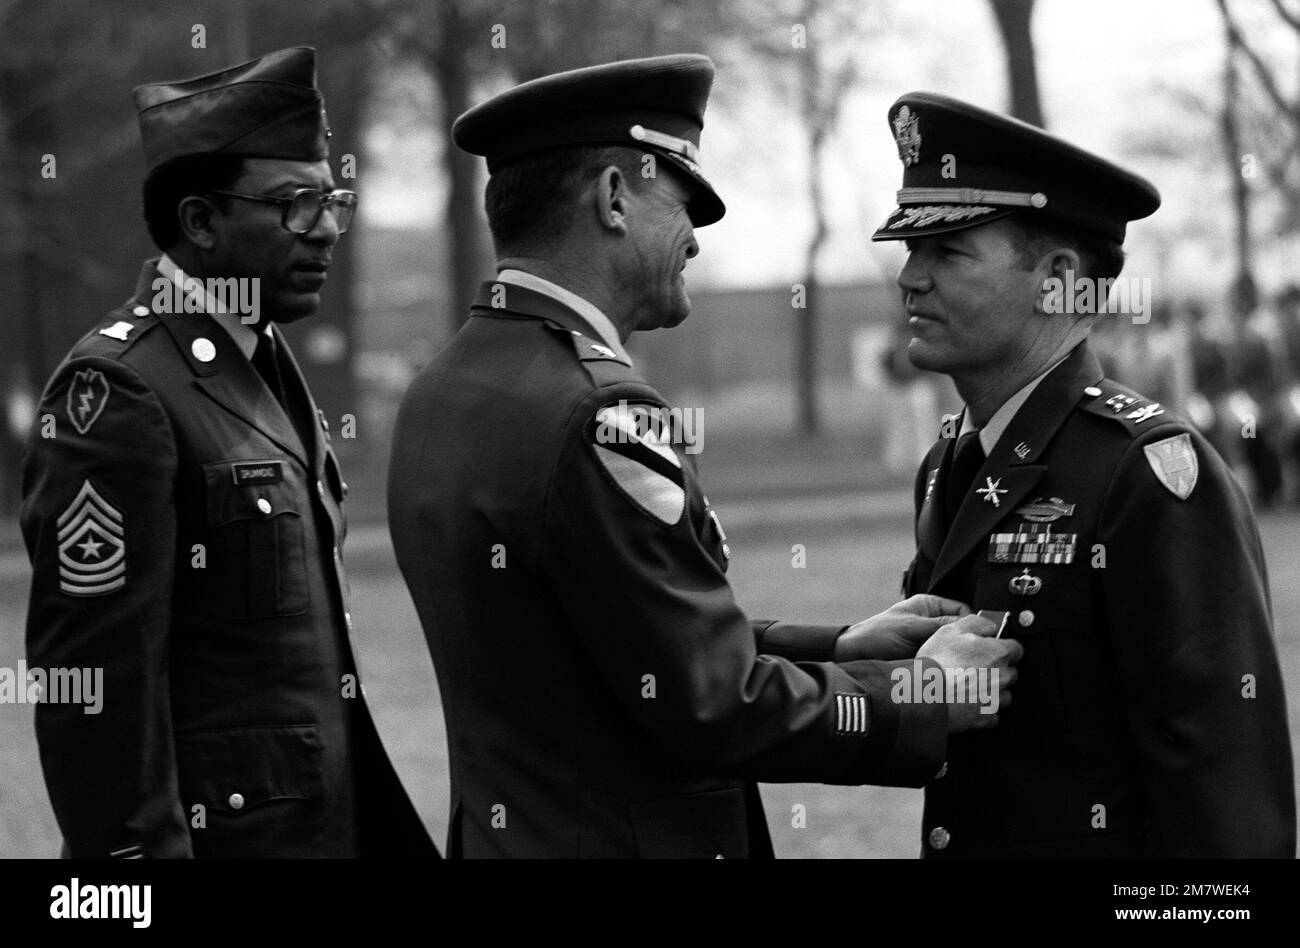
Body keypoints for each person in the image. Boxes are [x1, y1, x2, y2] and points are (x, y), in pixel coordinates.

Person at [387, 55, 1021, 859]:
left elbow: (615, 636)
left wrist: (838, 645)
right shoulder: (601, 410)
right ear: (615, 198)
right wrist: (924, 696)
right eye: (683, 202)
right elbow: (714, 702)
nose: (693, 238)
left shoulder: (443, 388)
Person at [20, 47, 436, 858]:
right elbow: (94, 686)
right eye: (293, 204)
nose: (325, 230)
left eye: (332, 199)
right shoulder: (120, 391)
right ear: (201, 222)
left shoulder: (264, 360)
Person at [876, 91, 1295, 857]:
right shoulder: (950, 462)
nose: (911, 278)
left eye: (947, 252)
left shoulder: (1149, 472)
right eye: (910, 250)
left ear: (1058, 277)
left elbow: (1221, 787)